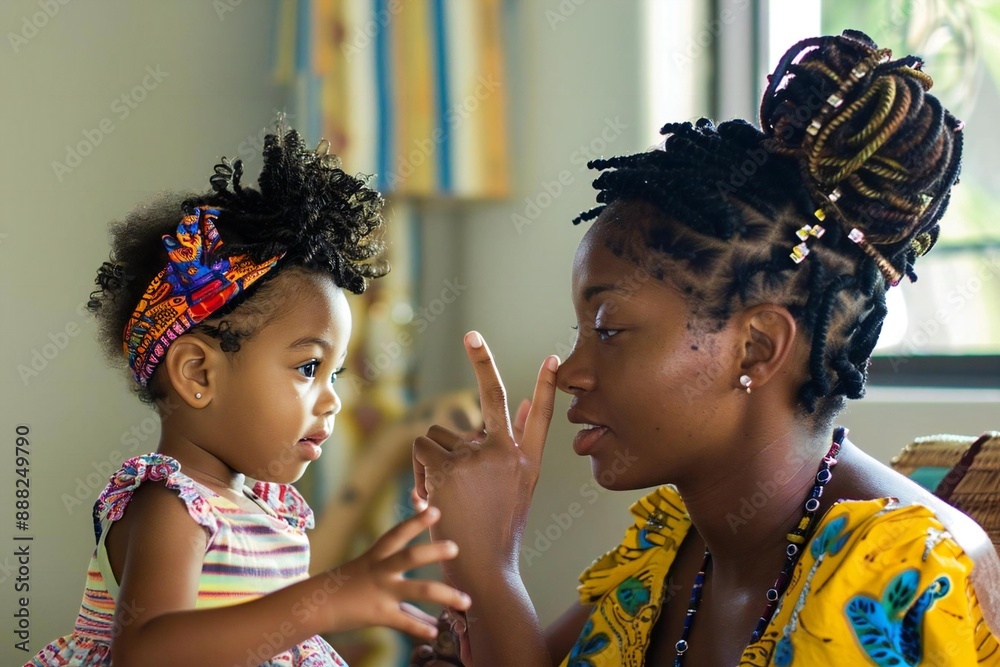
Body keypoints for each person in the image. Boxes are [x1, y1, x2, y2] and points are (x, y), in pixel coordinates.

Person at [409, 30, 1000, 667]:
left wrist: (495, 569)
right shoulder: (669, 552)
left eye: (608, 329)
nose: (573, 372)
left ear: (756, 347)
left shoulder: (900, 577)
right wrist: (471, 587)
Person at [27, 125, 471, 667]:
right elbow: (145, 655)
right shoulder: (172, 506)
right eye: (309, 367)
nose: (332, 400)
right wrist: (323, 601)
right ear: (198, 374)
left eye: (335, 374)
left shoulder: (270, 513)